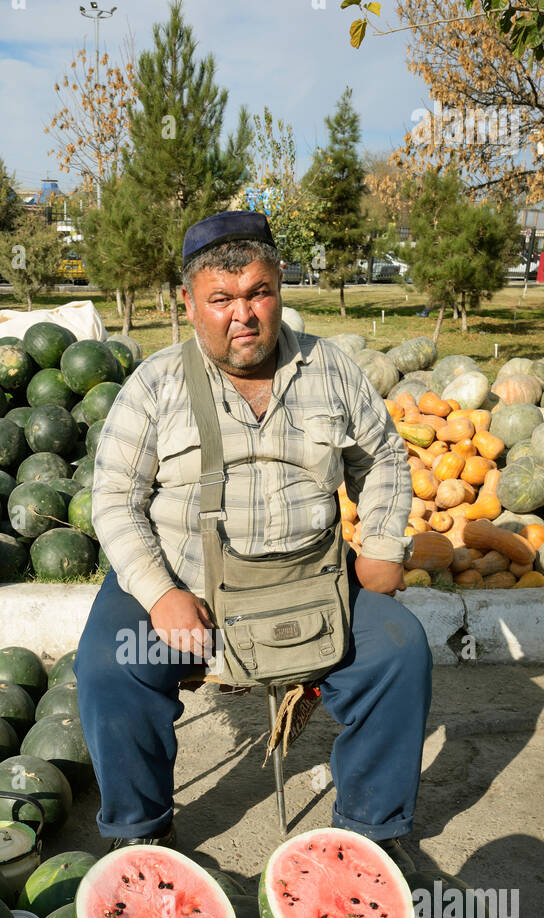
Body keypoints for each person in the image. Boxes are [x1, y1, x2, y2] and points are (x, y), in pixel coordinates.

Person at [74, 210, 432, 869]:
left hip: (308, 583)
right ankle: (139, 833)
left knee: (398, 651)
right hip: (189, 586)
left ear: (279, 289)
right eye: (221, 299)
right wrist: (158, 595)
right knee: (108, 664)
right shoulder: (154, 385)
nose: (243, 314)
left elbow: (381, 457)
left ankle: (374, 834)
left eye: (258, 293)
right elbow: (115, 503)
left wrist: (382, 544)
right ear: (189, 304)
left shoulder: (330, 370)